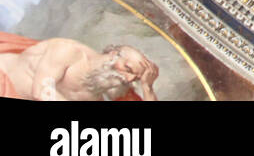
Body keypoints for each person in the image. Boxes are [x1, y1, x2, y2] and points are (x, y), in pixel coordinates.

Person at [0, 37, 158, 101]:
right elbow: (42, 91)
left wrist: (147, 88)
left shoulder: (109, 88)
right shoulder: (68, 51)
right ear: (113, 55)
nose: (128, 79)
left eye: (135, 79)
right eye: (128, 69)